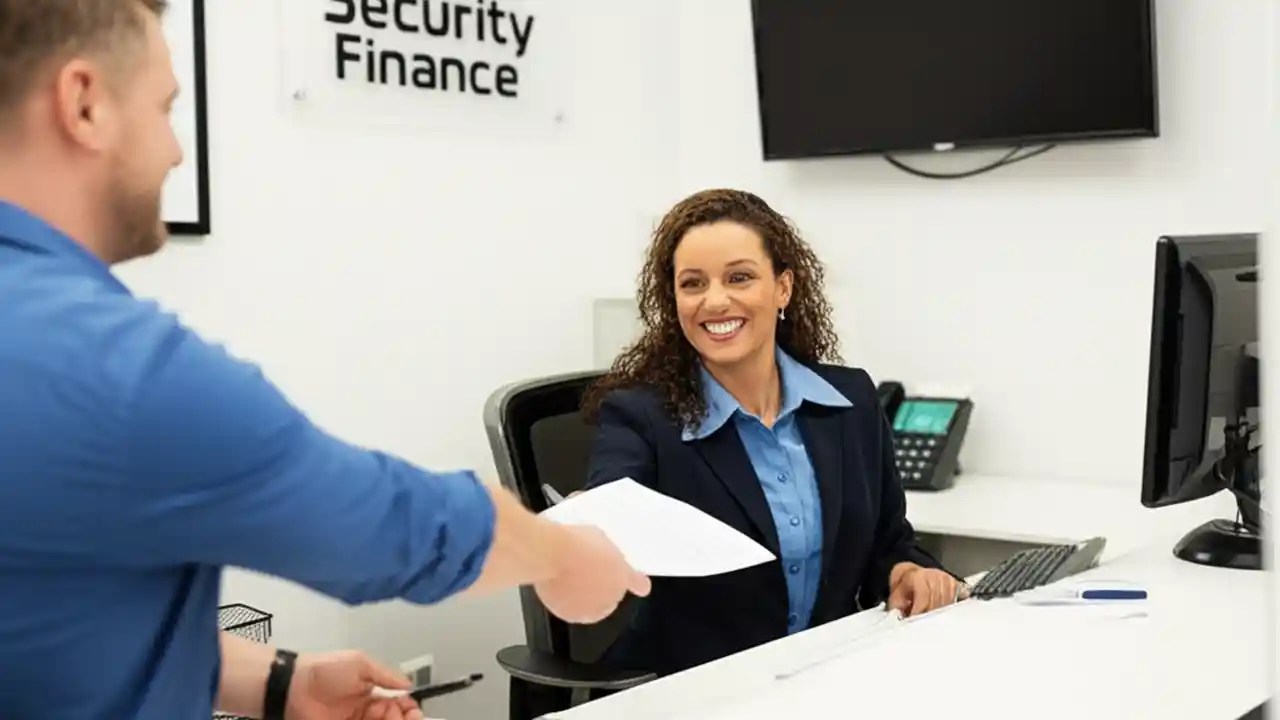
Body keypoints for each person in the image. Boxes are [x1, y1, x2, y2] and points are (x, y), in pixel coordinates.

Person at [0, 2, 649, 719]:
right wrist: (563, 557)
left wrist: (277, 681)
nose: (175, 151)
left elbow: (61, 614)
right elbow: (398, 526)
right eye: (164, 108)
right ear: (83, 103)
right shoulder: (114, 369)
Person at [580, 188, 964, 677]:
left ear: (783, 288)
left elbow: (887, 539)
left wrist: (906, 571)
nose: (715, 301)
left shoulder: (850, 401)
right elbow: (612, 508)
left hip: (826, 676)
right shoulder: (640, 416)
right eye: (693, 284)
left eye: (739, 277)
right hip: (696, 691)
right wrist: (592, 528)